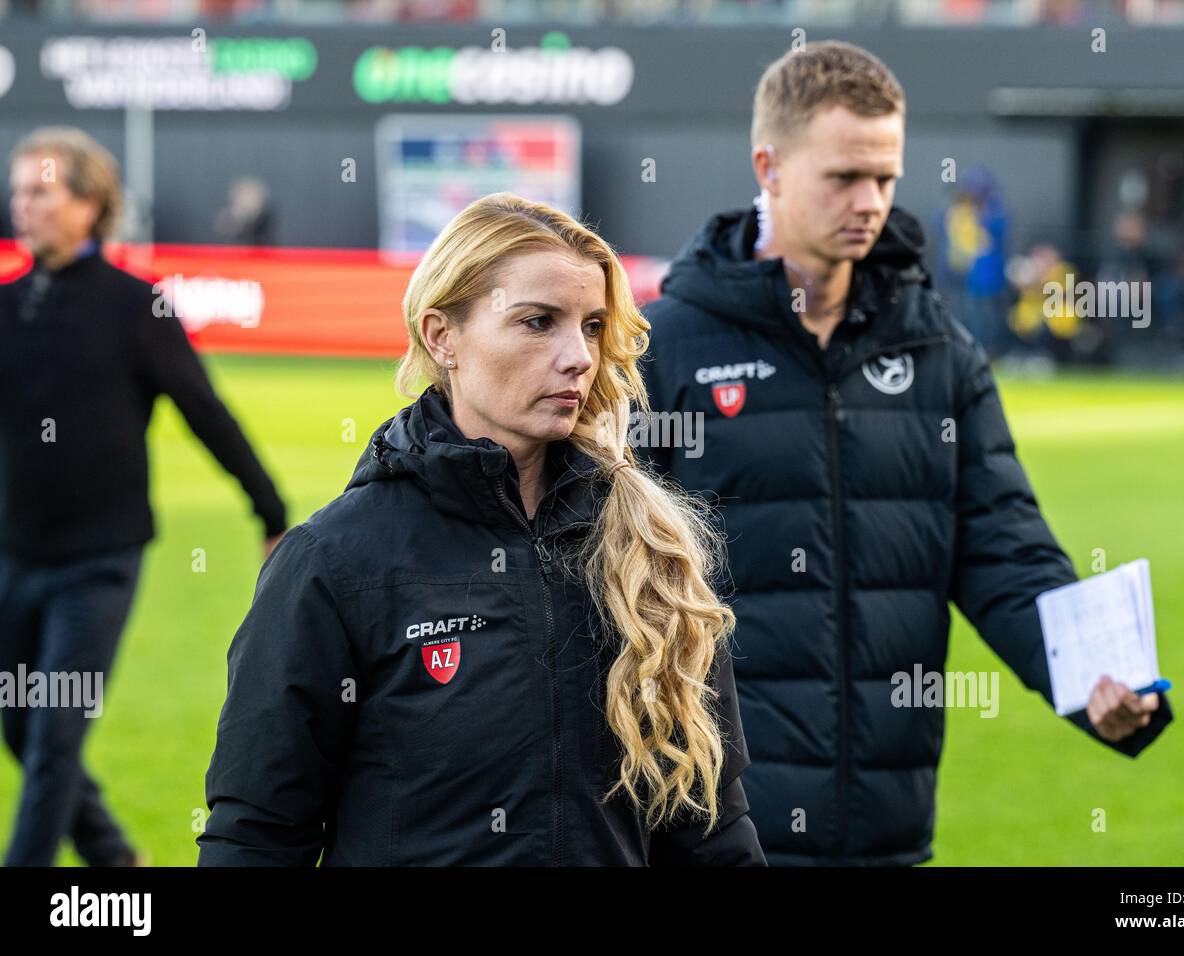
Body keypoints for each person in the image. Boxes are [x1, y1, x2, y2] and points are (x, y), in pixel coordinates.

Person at [637, 42, 1173, 866]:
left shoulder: (937, 349)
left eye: (885, 178)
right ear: (768, 166)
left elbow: (1004, 547)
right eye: (845, 177)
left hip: (889, 832)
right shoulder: (666, 349)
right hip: (717, 835)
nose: (870, 201)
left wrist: (1099, 683)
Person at [196, 192, 766, 866]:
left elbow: (711, 825)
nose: (578, 356)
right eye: (538, 322)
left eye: (590, 325)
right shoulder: (333, 562)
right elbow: (256, 835)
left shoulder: (651, 548)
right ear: (443, 336)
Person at [0, 126, 287, 866]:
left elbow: (205, 412)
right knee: (19, 728)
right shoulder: (7, 304)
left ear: (91, 205)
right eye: (18, 189)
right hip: (14, 555)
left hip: (98, 560)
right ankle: (117, 867)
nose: (20, 204)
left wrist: (270, 510)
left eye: (40, 189)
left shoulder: (137, 306)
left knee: (55, 734)